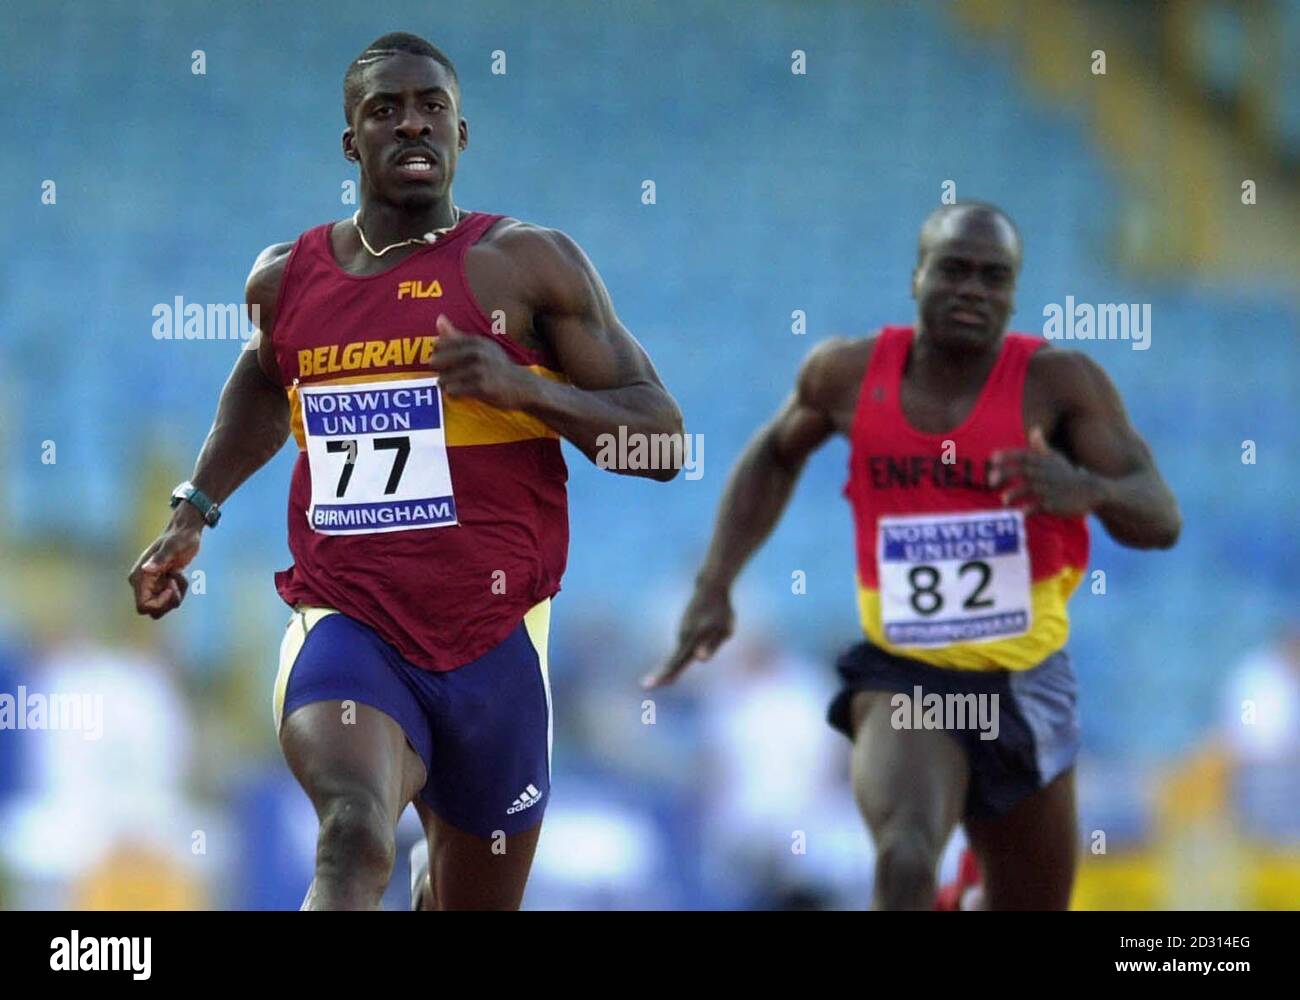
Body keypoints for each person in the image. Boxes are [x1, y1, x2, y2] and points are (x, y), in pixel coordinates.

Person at [129, 32, 683, 911]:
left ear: (463, 133)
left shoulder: (527, 265)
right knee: (352, 834)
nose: (411, 124)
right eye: (385, 109)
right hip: (349, 619)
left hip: (495, 637)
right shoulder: (286, 280)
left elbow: (661, 446)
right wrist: (195, 507)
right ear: (352, 141)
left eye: (431, 107)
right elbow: (264, 381)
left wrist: (523, 391)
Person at [648, 202, 1180, 910]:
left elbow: (1160, 518)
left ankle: (967, 895)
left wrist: (1086, 488)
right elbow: (774, 456)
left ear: (1014, 292)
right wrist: (716, 585)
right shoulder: (846, 375)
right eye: (954, 270)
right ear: (917, 276)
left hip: (1025, 686)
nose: (973, 290)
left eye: (995, 278)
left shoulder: (1058, 385)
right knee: (904, 858)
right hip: (907, 677)